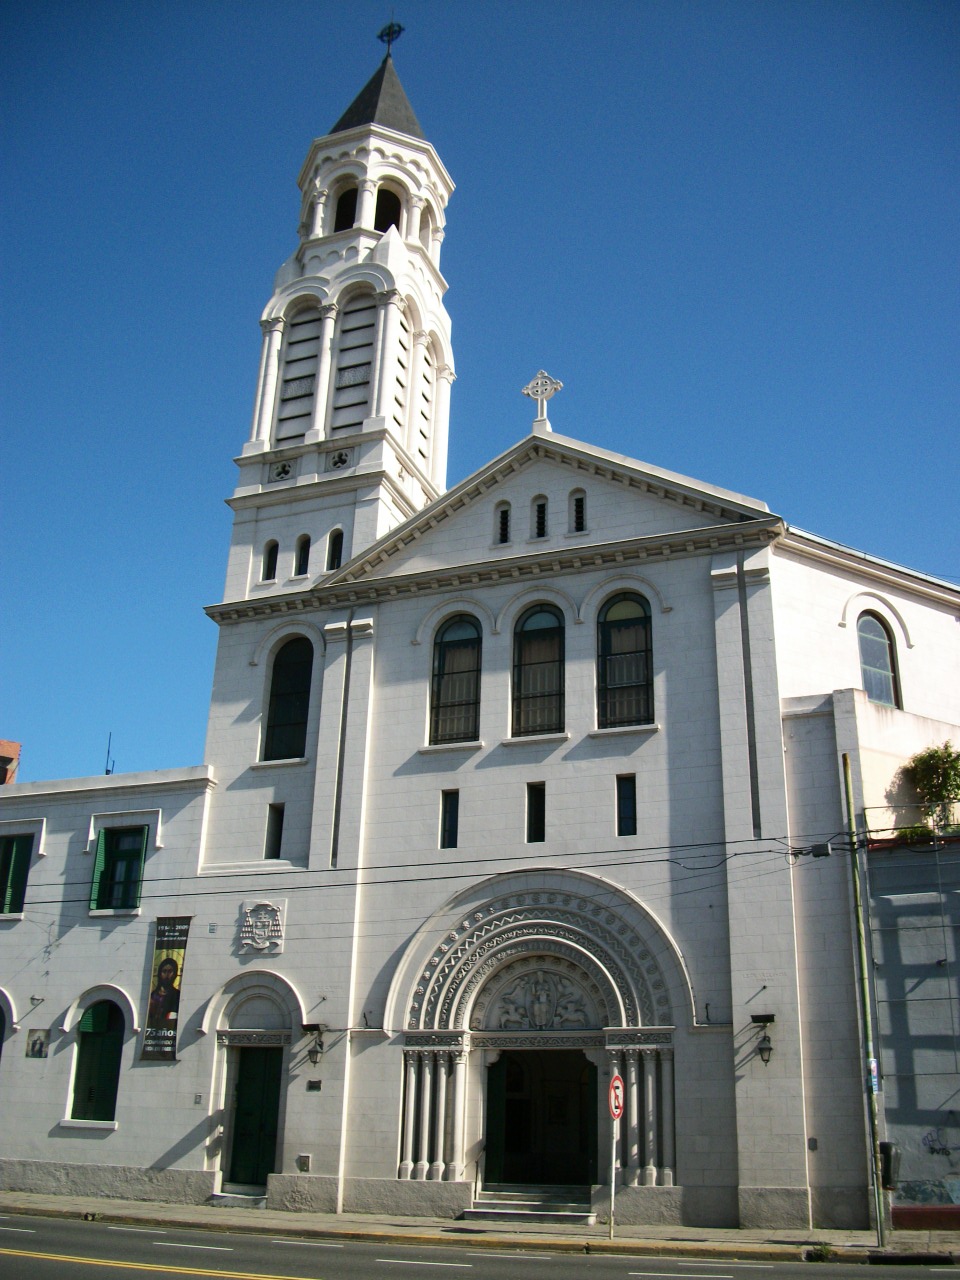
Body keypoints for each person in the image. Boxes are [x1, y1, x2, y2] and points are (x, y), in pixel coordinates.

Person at [147, 956, 181, 1029]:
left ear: (175, 974)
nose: (167, 975)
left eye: (170, 971)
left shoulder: (177, 995)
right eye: (164, 971)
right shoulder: (153, 995)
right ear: (159, 973)